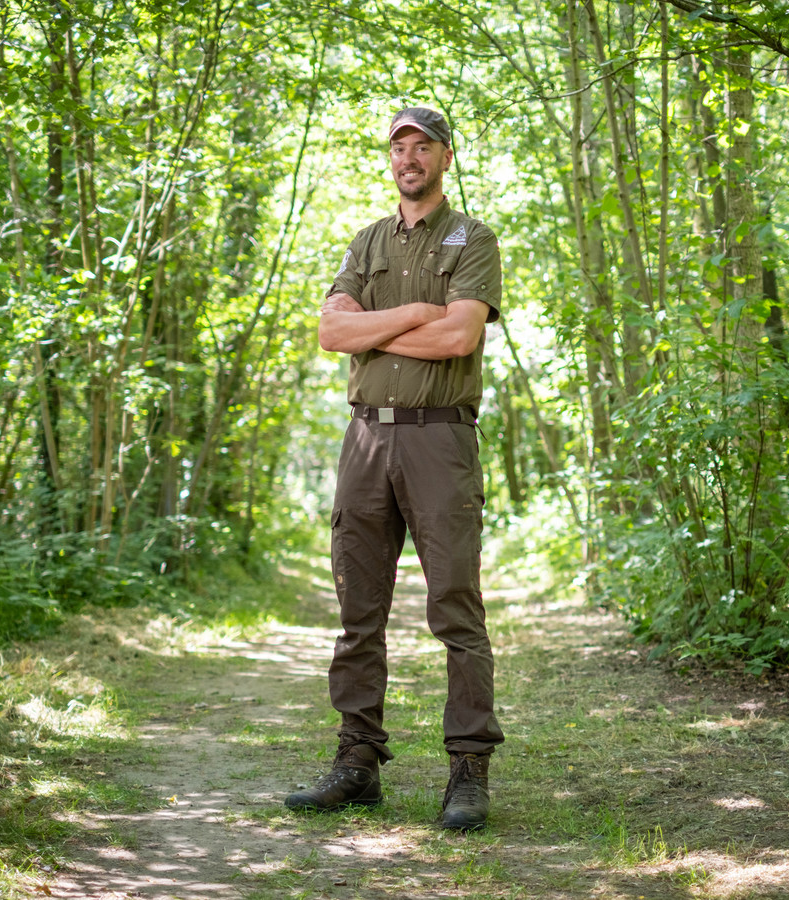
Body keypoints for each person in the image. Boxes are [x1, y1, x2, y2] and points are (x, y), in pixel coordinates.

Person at [284, 107, 505, 830]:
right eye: (399, 147)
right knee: (358, 610)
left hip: (440, 441)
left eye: (423, 146)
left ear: (446, 155)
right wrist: (416, 312)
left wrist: (374, 335)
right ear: (390, 159)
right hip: (365, 444)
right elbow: (329, 331)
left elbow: (459, 336)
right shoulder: (367, 240)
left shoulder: (473, 239)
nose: (409, 157)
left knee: (455, 607)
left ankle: (468, 770)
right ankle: (357, 763)